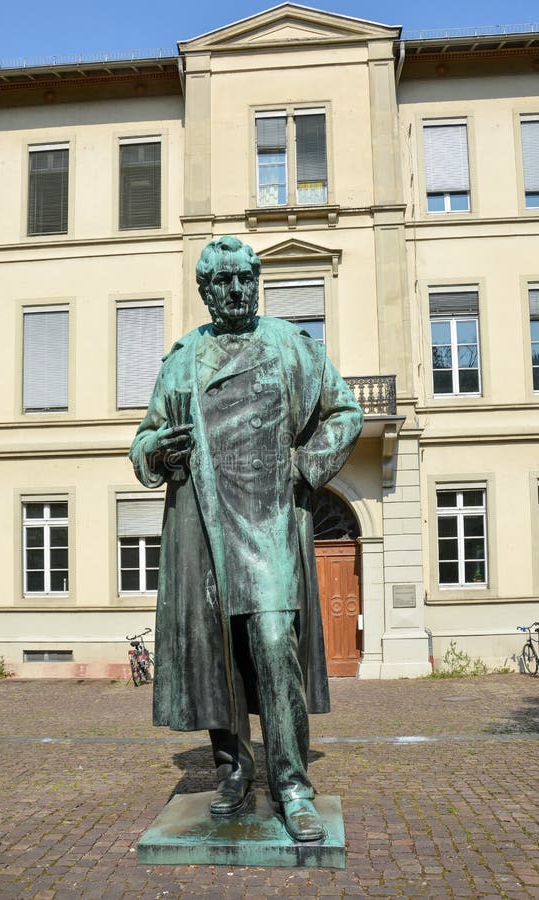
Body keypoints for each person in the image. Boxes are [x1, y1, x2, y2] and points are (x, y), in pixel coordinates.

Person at [129, 236, 362, 842]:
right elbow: (143, 441)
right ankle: (234, 767)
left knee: (271, 645)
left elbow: (346, 412)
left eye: (244, 280)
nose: (235, 291)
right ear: (205, 291)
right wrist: (155, 450)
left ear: (255, 283)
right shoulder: (182, 359)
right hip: (203, 527)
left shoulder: (289, 346)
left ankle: (292, 785)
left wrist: (304, 466)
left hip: (269, 524)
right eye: (223, 283)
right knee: (218, 655)